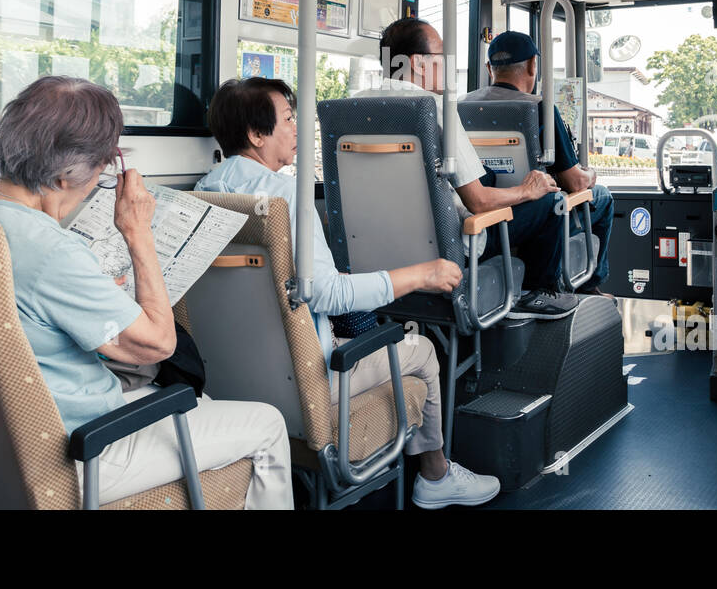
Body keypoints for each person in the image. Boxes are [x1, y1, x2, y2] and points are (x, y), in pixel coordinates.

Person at [0, 76, 293, 509]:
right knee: (268, 422)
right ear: (67, 173)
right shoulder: (50, 251)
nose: (103, 176)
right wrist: (138, 234)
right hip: (79, 449)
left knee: (199, 402)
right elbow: (158, 344)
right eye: (103, 165)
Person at [197, 77, 502, 509]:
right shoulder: (288, 198)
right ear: (255, 135)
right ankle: (436, 477)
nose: (296, 128)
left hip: (233, 383)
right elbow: (328, 296)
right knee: (423, 353)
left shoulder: (205, 192)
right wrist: (422, 274)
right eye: (287, 119)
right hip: (311, 380)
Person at [358, 18, 580, 320]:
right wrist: (528, 189)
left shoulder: (353, 106)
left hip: (373, 251)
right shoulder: (434, 109)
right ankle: (536, 296)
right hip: (449, 246)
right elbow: (479, 201)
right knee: (551, 202)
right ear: (418, 63)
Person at [460, 30, 614, 295]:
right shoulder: (540, 108)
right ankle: (589, 284)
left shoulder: (461, 106)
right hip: (537, 211)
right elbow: (575, 182)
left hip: (486, 214)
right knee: (602, 197)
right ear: (533, 65)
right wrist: (591, 174)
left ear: (489, 67)